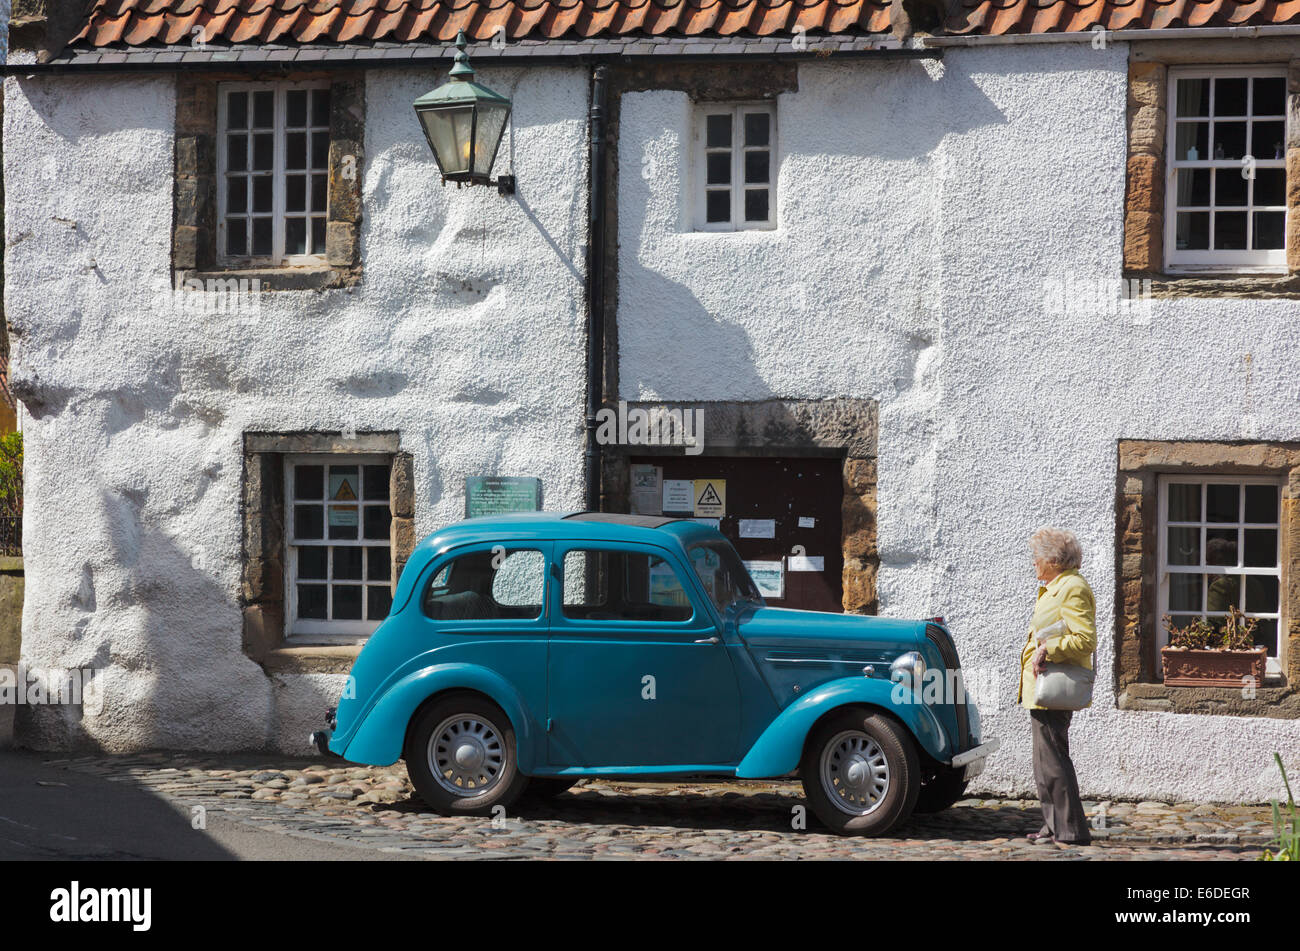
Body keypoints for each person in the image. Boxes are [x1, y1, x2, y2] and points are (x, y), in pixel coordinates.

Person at [1018, 527, 1096, 846]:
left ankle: (1071, 830)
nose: (1033, 562)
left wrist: (1049, 648)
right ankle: (1053, 826)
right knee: (1043, 762)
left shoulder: (1073, 588)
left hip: (1053, 687)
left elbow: (1085, 639)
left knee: (1053, 760)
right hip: (1040, 687)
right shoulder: (1056, 586)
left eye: (1037, 556)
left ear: (1053, 559)